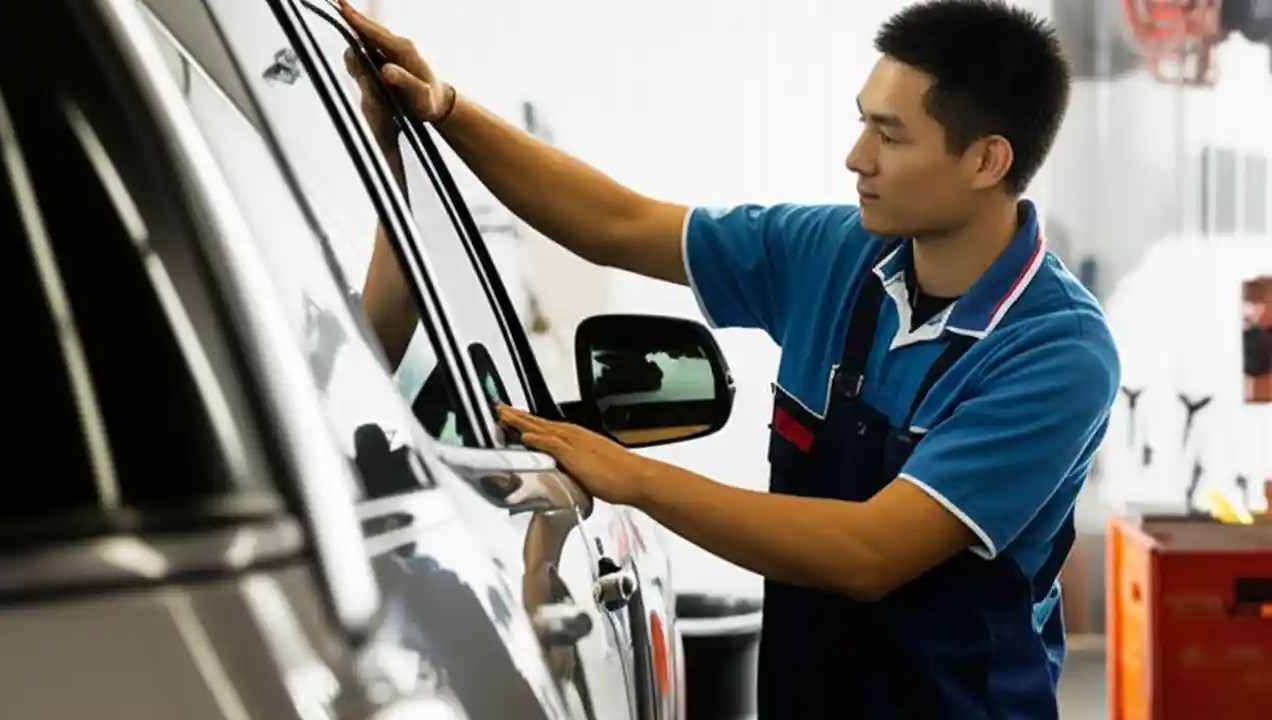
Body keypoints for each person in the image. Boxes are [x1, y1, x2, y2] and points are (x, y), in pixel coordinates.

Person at [340, 0, 1120, 717]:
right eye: (862, 124)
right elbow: (619, 223)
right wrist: (444, 111)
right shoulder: (834, 253)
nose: (856, 157)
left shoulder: (1056, 352)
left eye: (890, 135)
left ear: (986, 161)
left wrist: (634, 476)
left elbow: (870, 552)